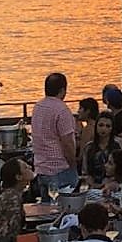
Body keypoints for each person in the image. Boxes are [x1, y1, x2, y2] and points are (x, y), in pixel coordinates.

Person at [31, 72, 78, 201]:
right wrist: (73, 165)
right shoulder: (62, 110)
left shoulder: (37, 107)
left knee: (46, 208)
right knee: (65, 206)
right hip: (60, 169)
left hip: (41, 168)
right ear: (62, 90)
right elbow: (67, 143)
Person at [80, 110, 118, 187]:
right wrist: (89, 180)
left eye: (108, 126)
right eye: (101, 125)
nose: (103, 129)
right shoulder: (89, 147)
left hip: (112, 185)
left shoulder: (117, 146)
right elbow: (85, 171)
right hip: (92, 185)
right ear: (96, 127)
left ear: (112, 128)